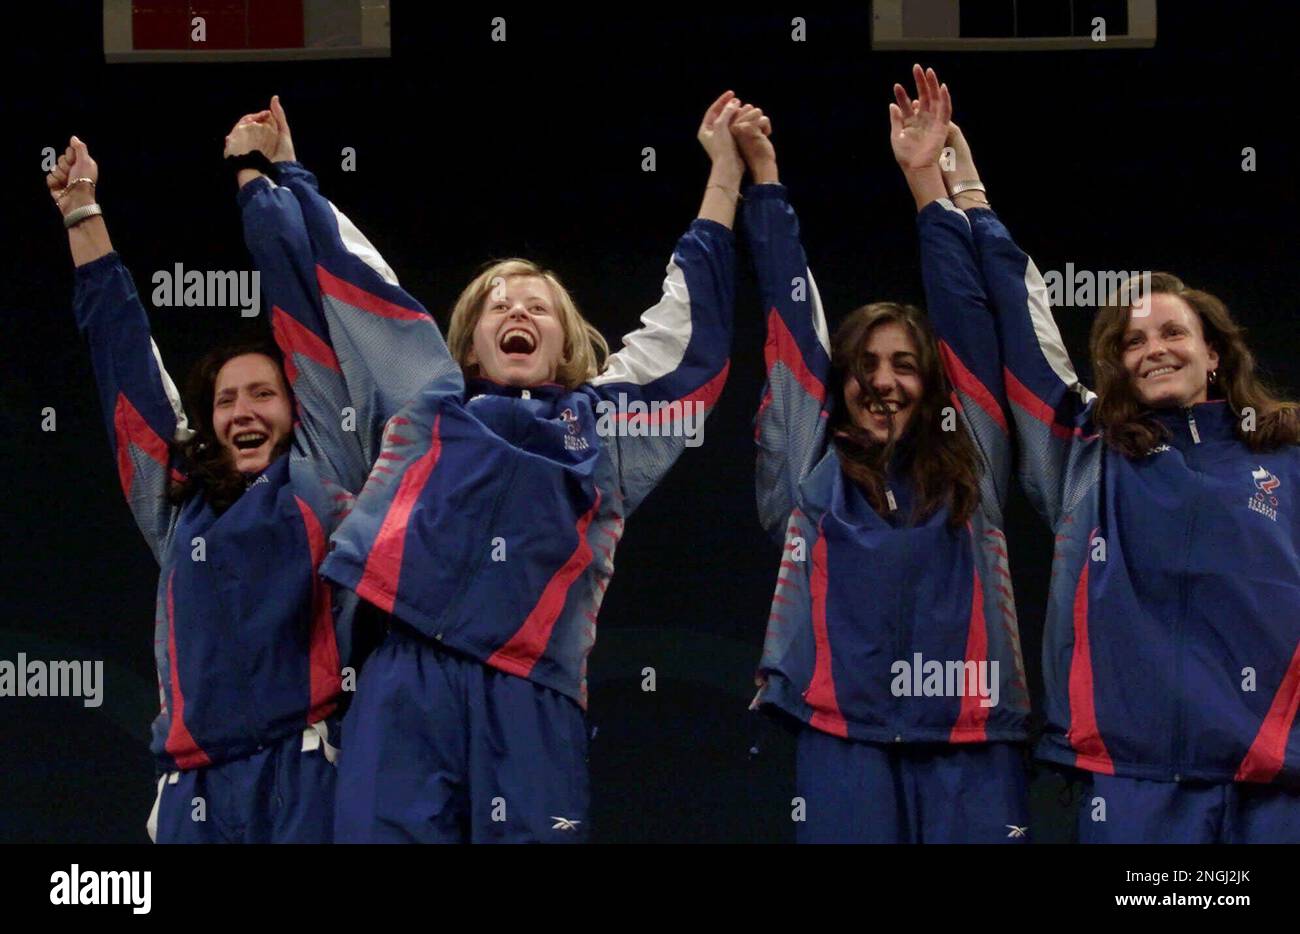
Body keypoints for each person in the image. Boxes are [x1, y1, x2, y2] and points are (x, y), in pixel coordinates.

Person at [234, 93, 741, 842]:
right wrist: (286, 170)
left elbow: (687, 339)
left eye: (539, 308)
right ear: (468, 345)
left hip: (532, 691)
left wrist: (726, 176)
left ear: (565, 344)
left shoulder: (605, 431)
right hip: (403, 680)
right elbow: (361, 279)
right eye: (499, 306)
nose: (519, 314)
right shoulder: (426, 400)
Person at [919, 70, 1300, 843]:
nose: (1153, 349)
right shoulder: (1090, 449)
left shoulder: (1288, 450)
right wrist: (956, 194)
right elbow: (1017, 336)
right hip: (1133, 783)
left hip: (1278, 777)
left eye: (1172, 333)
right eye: (1132, 341)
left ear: (1215, 354)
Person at [47, 129, 368, 843]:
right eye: (226, 401)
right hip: (195, 791)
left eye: (263, 394)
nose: (243, 411)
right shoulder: (177, 509)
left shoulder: (326, 485)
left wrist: (261, 178)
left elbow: (310, 321)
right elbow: (123, 360)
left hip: (309, 775)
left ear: (297, 410)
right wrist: (81, 213)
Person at [740, 73, 1030, 843]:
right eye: (866, 365)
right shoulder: (813, 471)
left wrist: (927, 184)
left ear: (932, 382)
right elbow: (790, 314)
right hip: (842, 735)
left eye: (906, 364)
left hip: (969, 733)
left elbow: (967, 319)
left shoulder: (976, 469)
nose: (884, 381)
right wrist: (763, 180)